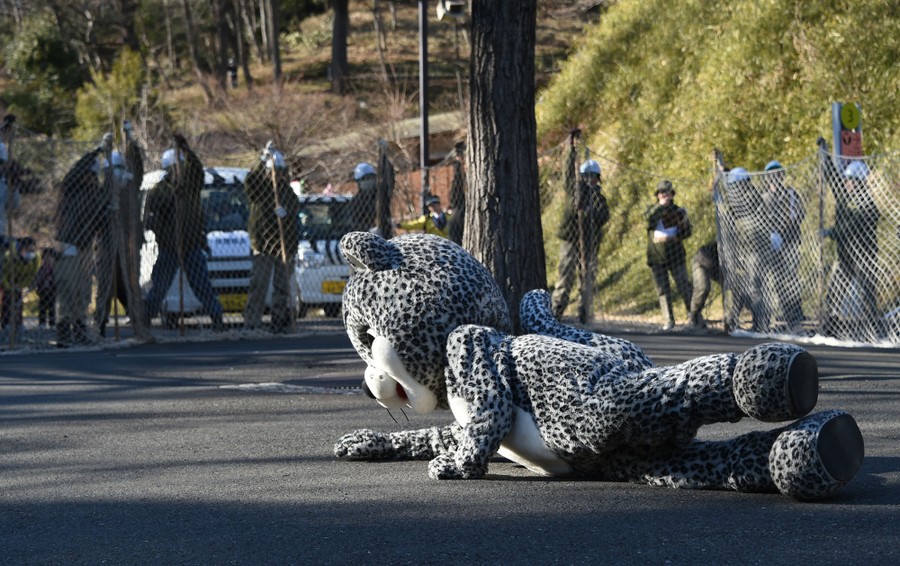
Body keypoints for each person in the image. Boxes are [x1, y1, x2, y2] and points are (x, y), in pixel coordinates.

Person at [143, 134, 224, 331]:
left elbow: (197, 169)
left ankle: (217, 318)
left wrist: (186, 149)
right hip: (169, 246)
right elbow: (151, 214)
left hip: (191, 244)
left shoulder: (192, 186)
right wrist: (172, 197)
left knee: (202, 285)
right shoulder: (160, 190)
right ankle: (145, 318)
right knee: (160, 286)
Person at [55, 137, 110, 347]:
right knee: (67, 289)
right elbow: (76, 169)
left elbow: (100, 221)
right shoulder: (70, 189)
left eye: (95, 176)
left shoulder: (95, 195)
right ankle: (63, 332)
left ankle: (79, 329)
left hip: (85, 246)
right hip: (67, 243)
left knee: (83, 290)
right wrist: (97, 151)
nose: (92, 179)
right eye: (90, 175)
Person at [243, 142, 300, 333]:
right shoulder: (259, 190)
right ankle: (252, 322)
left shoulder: (288, 193)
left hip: (284, 245)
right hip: (263, 244)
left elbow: (294, 214)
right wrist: (262, 159)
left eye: (280, 171)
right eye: (273, 171)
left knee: (281, 288)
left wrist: (287, 214)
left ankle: (278, 322)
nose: (277, 175)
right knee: (259, 284)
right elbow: (250, 180)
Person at [823, 159, 880, 336]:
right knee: (834, 291)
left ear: (860, 182)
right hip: (846, 256)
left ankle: (873, 328)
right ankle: (830, 325)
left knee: (868, 294)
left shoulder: (868, 204)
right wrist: (825, 157)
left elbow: (850, 228)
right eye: (847, 180)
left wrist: (830, 233)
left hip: (864, 257)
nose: (847, 183)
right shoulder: (845, 196)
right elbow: (833, 179)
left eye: (851, 180)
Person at [550, 159, 609, 319]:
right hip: (570, 240)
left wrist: (589, 212)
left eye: (594, 177)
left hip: (589, 243)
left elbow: (604, 216)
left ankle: (584, 313)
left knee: (587, 277)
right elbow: (568, 174)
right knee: (566, 276)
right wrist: (571, 153)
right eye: (587, 176)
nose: (591, 179)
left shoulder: (599, 198)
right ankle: (556, 313)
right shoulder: (574, 190)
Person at [719, 167, 767, 332]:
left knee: (754, 287)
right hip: (740, 249)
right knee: (739, 287)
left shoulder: (751, 197)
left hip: (753, 250)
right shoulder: (737, 199)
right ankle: (733, 320)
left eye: (736, 186)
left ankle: (761, 323)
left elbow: (737, 208)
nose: (734, 190)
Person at [761, 160, 806, 329]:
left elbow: (800, 215)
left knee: (792, 277)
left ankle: (796, 312)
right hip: (773, 245)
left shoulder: (791, 194)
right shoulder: (764, 198)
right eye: (771, 174)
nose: (774, 177)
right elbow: (762, 220)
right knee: (778, 279)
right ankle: (785, 312)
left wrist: (785, 228)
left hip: (790, 242)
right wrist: (771, 235)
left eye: (778, 173)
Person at [644, 179, 692, 330]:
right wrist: (661, 207)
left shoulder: (678, 211)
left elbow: (687, 232)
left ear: (672, 194)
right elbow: (648, 220)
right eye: (662, 192)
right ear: (657, 195)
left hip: (676, 255)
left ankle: (694, 316)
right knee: (662, 290)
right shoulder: (652, 210)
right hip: (657, 257)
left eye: (668, 192)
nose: (665, 195)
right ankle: (668, 320)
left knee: (684, 285)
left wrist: (683, 223)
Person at [1, 236, 40, 338]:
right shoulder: (8, 256)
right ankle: (5, 326)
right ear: (21, 248)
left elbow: (31, 275)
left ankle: (18, 325)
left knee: (18, 303)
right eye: (28, 250)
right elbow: (2, 274)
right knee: (7, 301)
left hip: (19, 281)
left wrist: (21, 286)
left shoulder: (35, 259)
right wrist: (8, 286)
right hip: (6, 280)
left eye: (32, 250)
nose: (30, 253)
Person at [687, 241, 721, 328]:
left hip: (717, 266)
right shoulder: (716, 246)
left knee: (732, 288)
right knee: (703, 287)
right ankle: (693, 316)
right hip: (701, 262)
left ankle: (730, 317)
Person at [34, 247, 58, 329]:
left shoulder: (56, 269)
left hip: (52, 291)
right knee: (42, 308)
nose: (48, 260)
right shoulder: (42, 269)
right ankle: (42, 323)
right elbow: (37, 278)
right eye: (45, 258)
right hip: (43, 291)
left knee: (52, 308)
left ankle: (52, 323)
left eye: (50, 258)